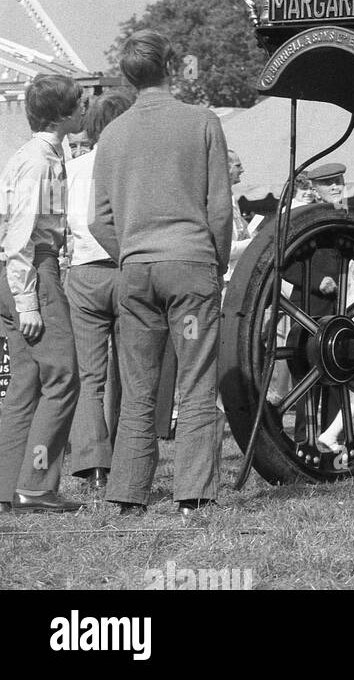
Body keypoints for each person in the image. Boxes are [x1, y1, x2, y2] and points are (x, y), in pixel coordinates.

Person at [91, 31, 233, 518]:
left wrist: (129, 252)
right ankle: (192, 495)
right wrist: (215, 260)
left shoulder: (112, 134)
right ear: (172, 64)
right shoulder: (202, 123)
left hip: (136, 275)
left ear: (129, 77)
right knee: (195, 380)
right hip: (190, 269)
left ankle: (128, 493)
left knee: (138, 387)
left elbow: (97, 218)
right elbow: (219, 209)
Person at [0, 73, 86, 513]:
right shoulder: (40, 162)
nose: (84, 109)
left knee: (26, 382)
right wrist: (29, 300)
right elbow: (21, 235)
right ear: (62, 115)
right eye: (78, 103)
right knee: (63, 377)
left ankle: (6, 485)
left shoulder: (33, 155)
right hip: (33, 266)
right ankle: (35, 484)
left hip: (16, 271)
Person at [64, 90, 134, 494]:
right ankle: (127, 460)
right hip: (125, 269)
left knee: (90, 376)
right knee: (132, 375)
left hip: (84, 273)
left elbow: (54, 223)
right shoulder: (132, 167)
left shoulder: (70, 169)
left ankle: (93, 465)